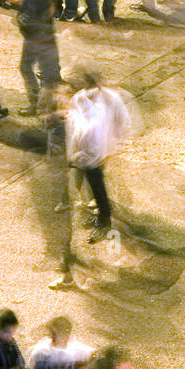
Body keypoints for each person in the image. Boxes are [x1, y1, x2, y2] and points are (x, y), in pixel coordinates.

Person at [66, 71, 133, 243]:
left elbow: (122, 122)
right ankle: (92, 205)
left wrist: (115, 142)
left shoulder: (110, 99)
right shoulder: (79, 98)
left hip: (96, 152)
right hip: (83, 150)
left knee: (97, 184)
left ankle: (104, 218)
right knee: (86, 179)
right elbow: (74, 123)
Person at [7, 0, 61, 116]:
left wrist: (18, 9)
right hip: (46, 31)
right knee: (48, 71)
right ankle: (44, 104)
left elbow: (28, 18)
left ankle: (38, 106)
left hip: (35, 36)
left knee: (29, 68)